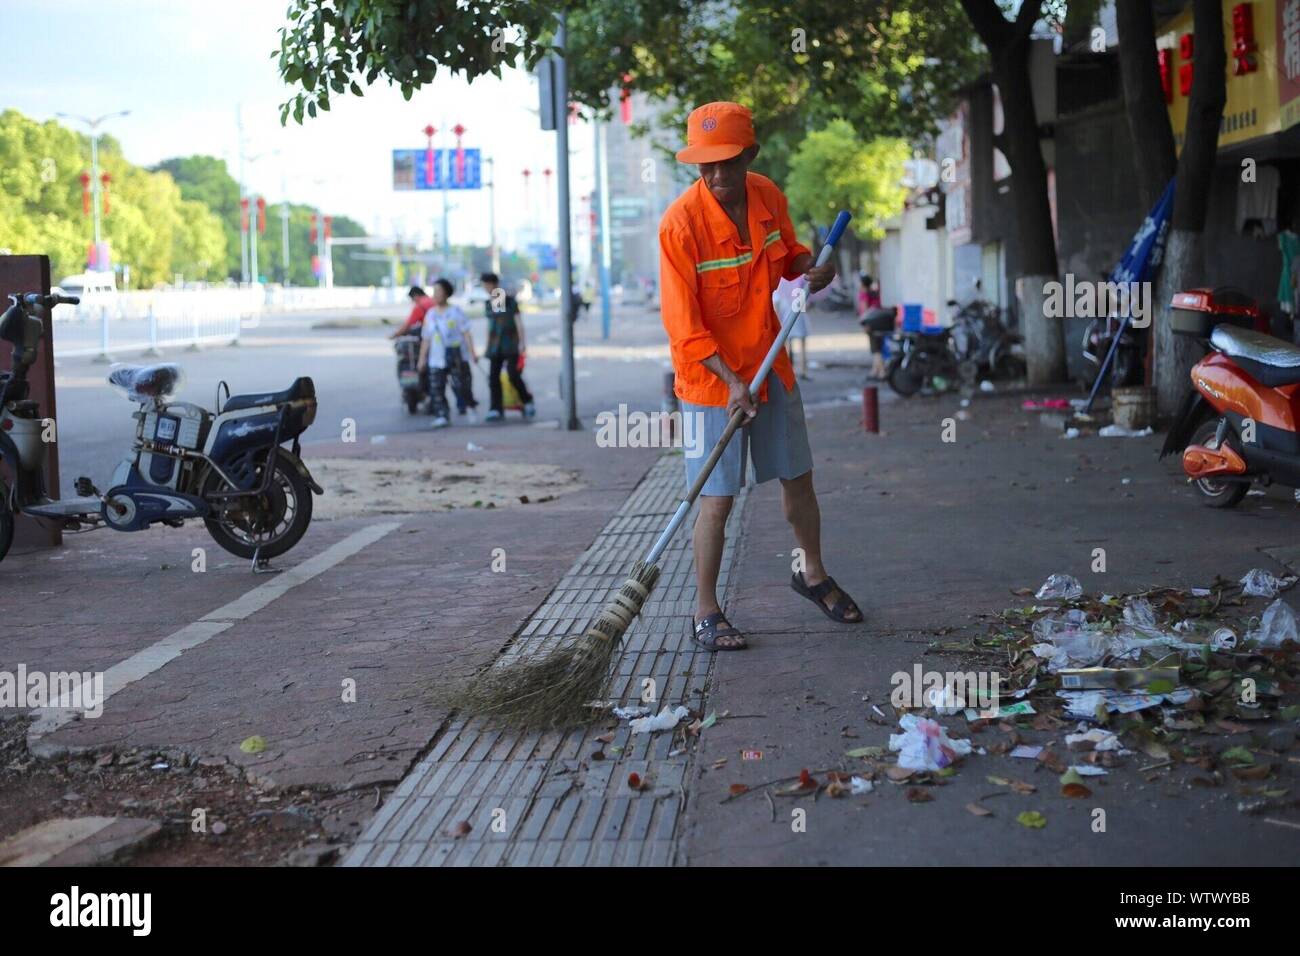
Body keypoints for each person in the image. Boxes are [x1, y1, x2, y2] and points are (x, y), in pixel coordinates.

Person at [659, 101, 863, 653]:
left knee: (799, 479)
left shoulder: (767, 196)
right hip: (710, 384)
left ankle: (812, 575)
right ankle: (706, 610)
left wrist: (811, 271)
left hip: (771, 367)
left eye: (727, 162)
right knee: (717, 500)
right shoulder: (679, 225)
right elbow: (684, 328)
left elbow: (789, 259)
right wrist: (729, 381)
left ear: (749, 154)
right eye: (706, 165)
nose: (717, 175)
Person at [416, 278, 477, 427]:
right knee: (437, 387)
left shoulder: (456, 312)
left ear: (446, 293)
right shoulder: (430, 314)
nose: (435, 295)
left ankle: (469, 405)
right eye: (434, 291)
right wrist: (422, 359)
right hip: (436, 358)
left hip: (457, 357)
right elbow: (426, 338)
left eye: (438, 291)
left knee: (462, 385)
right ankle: (442, 414)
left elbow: (466, 334)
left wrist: (472, 353)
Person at [479, 272, 536, 420]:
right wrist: (487, 345)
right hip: (494, 347)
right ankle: (496, 408)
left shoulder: (509, 301)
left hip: (510, 344)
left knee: (513, 374)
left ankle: (527, 401)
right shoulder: (488, 304)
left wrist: (522, 343)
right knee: (493, 378)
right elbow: (490, 325)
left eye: (487, 284)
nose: (485, 288)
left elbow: (518, 323)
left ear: (493, 284)